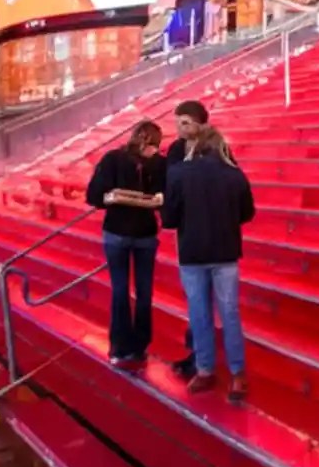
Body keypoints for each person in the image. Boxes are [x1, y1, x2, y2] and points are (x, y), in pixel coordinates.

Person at [162, 126, 255, 400]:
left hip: (192, 253)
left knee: (199, 314)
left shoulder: (178, 173)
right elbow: (247, 213)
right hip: (226, 252)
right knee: (230, 314)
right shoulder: (234, 174)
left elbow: (168, 219)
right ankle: (237, 374)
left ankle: (204, 370)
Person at [86, 121, 166, 370]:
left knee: (137, 293)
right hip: (130, 233)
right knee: (129, 292)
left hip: (131, 233)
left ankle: (128, 348)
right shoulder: (115, 159)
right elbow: (95, 195)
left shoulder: (155, 164)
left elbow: (94, 195)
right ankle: (130, 347)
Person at [166, 100, 208, 379]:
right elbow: (168, 188)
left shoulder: (214, 149)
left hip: (213, 231)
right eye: (178, 122)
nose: (180, 128)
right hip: (187, 232)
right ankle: (196, 353)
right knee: (195, 297)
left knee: (208, 299)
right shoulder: (174, 151)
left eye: (186, 122)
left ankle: (204, 358)